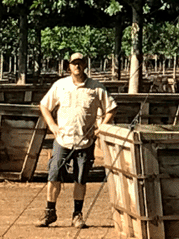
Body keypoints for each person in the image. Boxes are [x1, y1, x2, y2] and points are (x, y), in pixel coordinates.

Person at [37, 52, 117, 228]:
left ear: (85, 65)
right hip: (62, 140)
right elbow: (44, 105)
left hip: (85, 142)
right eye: (74, 63)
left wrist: (99, 129)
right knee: (54, 174)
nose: (77, 66)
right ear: (69, 66)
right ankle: (50, 212)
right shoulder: (60, 85)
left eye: (80, 63)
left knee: (80, 178)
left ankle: (77, 215)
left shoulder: (96, 88)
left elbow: (111, 108)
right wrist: (52, 125)